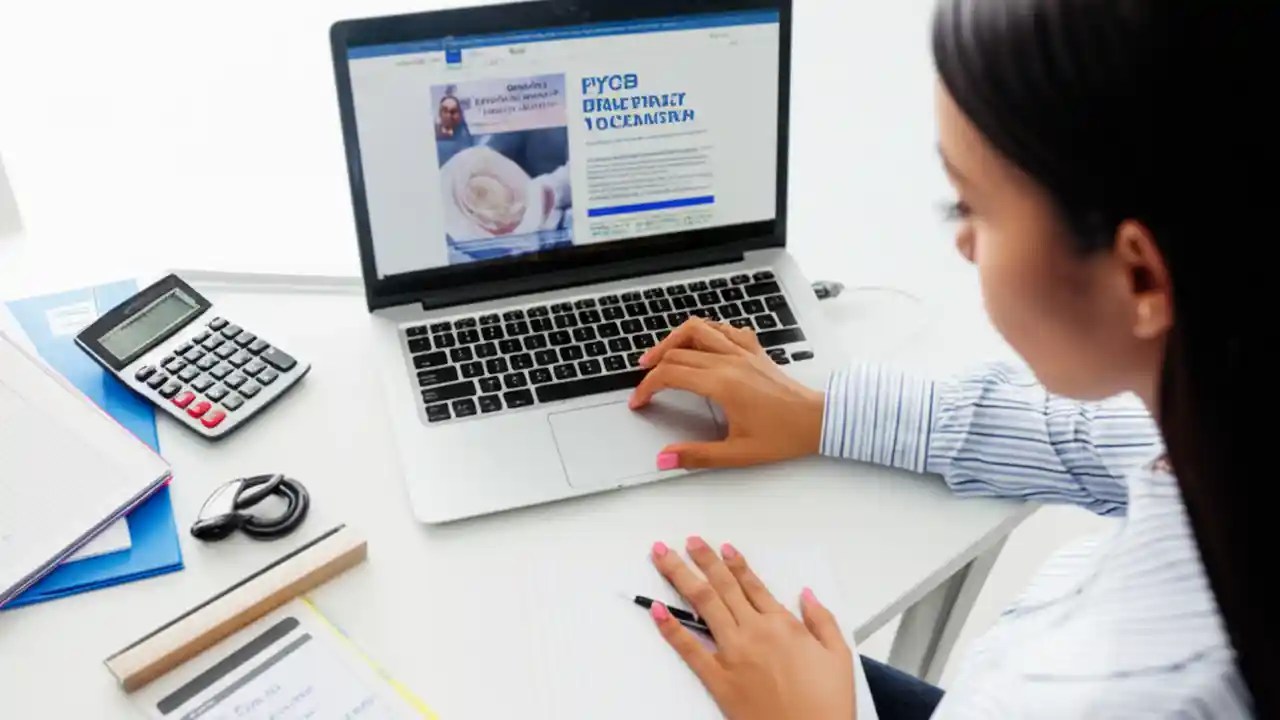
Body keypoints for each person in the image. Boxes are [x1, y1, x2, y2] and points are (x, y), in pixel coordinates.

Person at [626, 1, 1272, 717]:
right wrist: (821, 414)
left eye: (968, 206)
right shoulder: (1211, 416)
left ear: (1141, 277)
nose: (963, 245)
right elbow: (1082, 437)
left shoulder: (1144, 696)